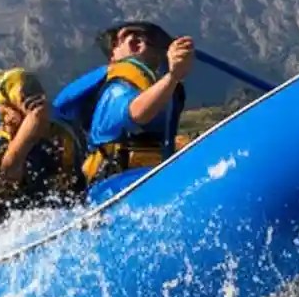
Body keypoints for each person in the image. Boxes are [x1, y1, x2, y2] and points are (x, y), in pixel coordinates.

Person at [52, 20, 194, 192]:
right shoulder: (116, 89)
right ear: (137, 44)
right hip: (116, 188)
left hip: (147, 181)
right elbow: (137, 112)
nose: (164, 61)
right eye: (163, 52)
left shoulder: (146, 87)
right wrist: (172, 76)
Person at [0, 67, 85, 223]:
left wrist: (35, 116)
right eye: (27, 103)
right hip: (7, 225)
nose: (34, 107)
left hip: (59, 213)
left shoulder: (60, 132)